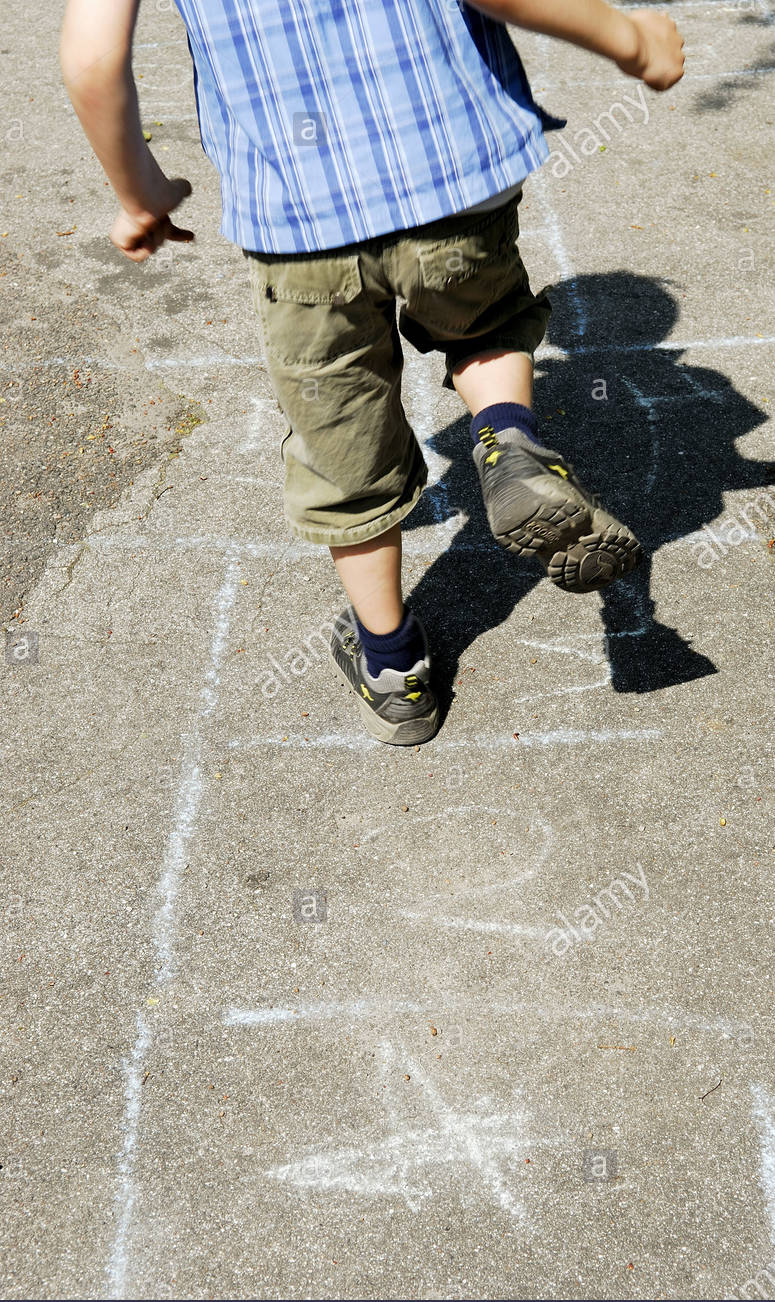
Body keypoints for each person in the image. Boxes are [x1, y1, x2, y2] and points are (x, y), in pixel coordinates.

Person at [60, 0, 684, 745]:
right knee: (484, 328)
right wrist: (631, 40)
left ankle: (396, 671)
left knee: (343, 440)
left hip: (299, 221)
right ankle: (509, 443)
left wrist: (139, 193)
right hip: (449, 177)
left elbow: (93, 58)